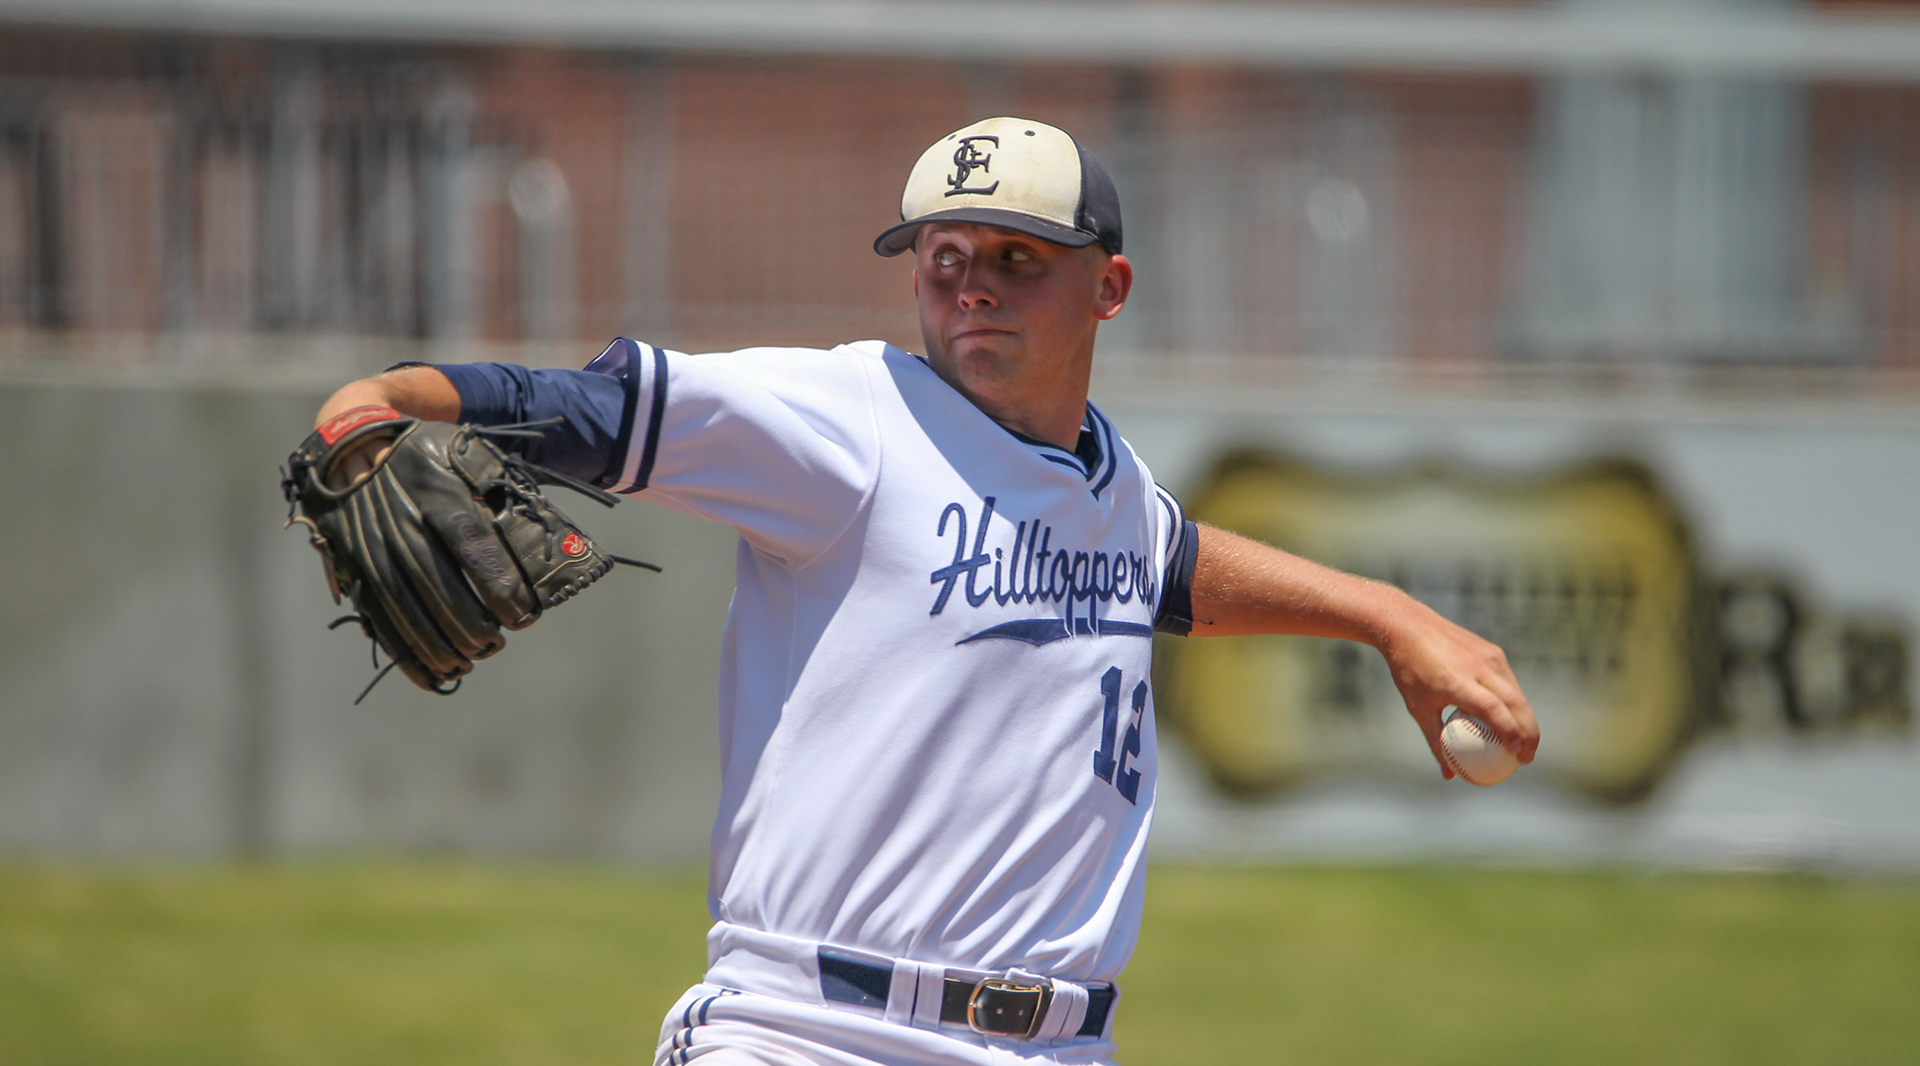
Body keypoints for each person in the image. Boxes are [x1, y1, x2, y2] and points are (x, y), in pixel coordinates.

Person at [313, 117, 1537, 1066]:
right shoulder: (849, 424)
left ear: (1108, 288)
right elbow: (598, 409)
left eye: (1017, 258)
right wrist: (384, 405)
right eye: (944, 258)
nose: (972, 286)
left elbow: (1171, 566)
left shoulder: (1107, 485)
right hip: (810, 1025)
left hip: (1054, 1041)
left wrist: (1391, 616)